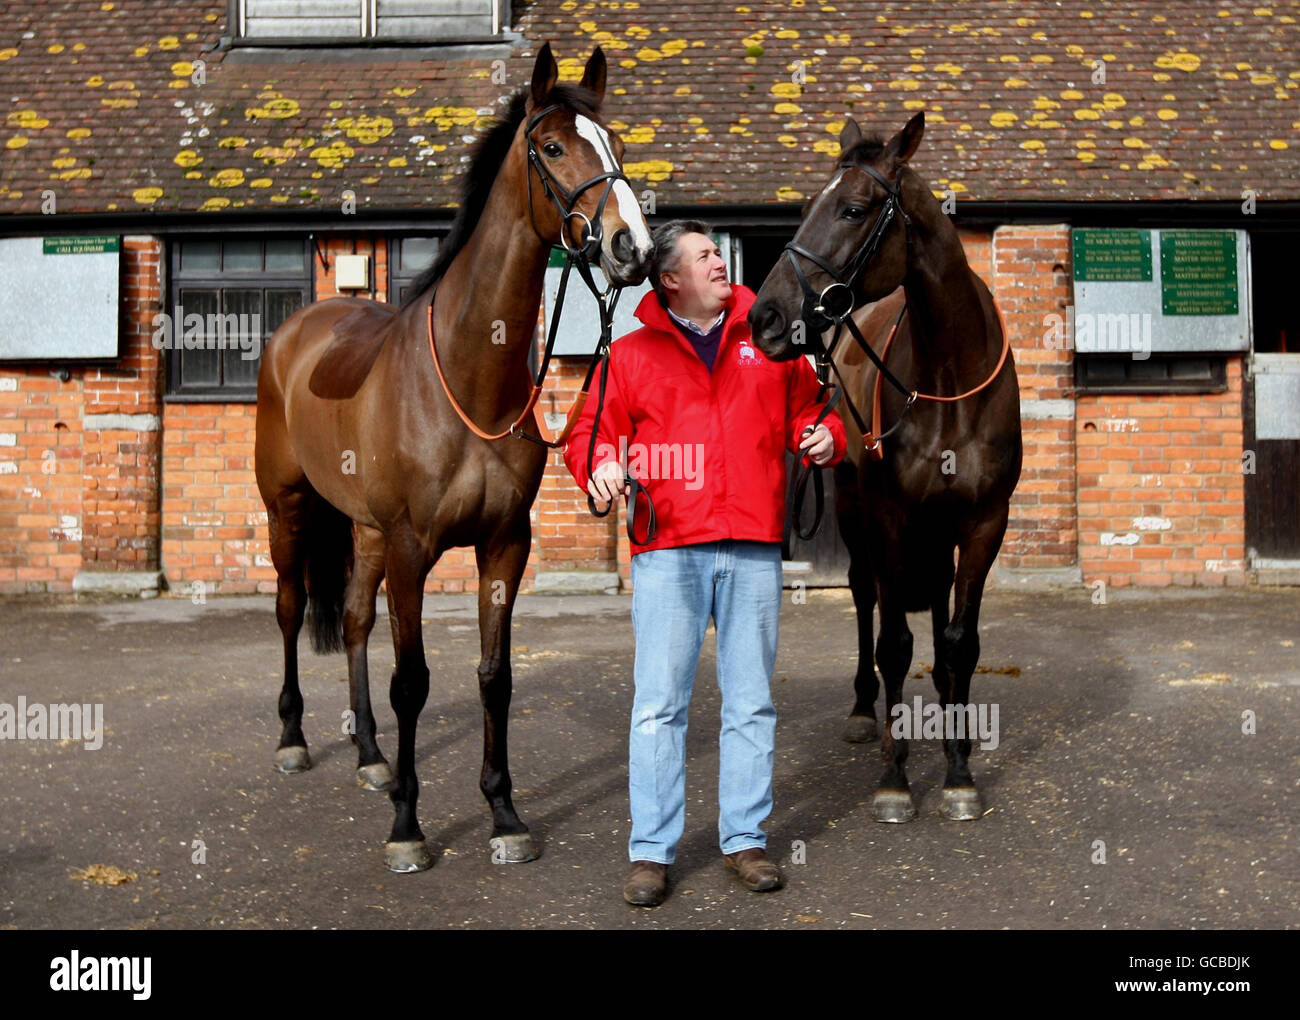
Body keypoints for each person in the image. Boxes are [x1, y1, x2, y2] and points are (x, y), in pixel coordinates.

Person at [563, 220, 846, 907]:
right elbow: (591, 431)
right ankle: (651, 853)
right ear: (670, 280)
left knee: (751, 703)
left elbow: (821, 412)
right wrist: (600, 465)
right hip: (668, 551)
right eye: (704, 256)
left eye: (719, 252)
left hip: (750, 544)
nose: (720, 262)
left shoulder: (773, 344)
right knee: (660, 707)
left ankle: (745, 841)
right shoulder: (629, 356)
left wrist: (824, 438)